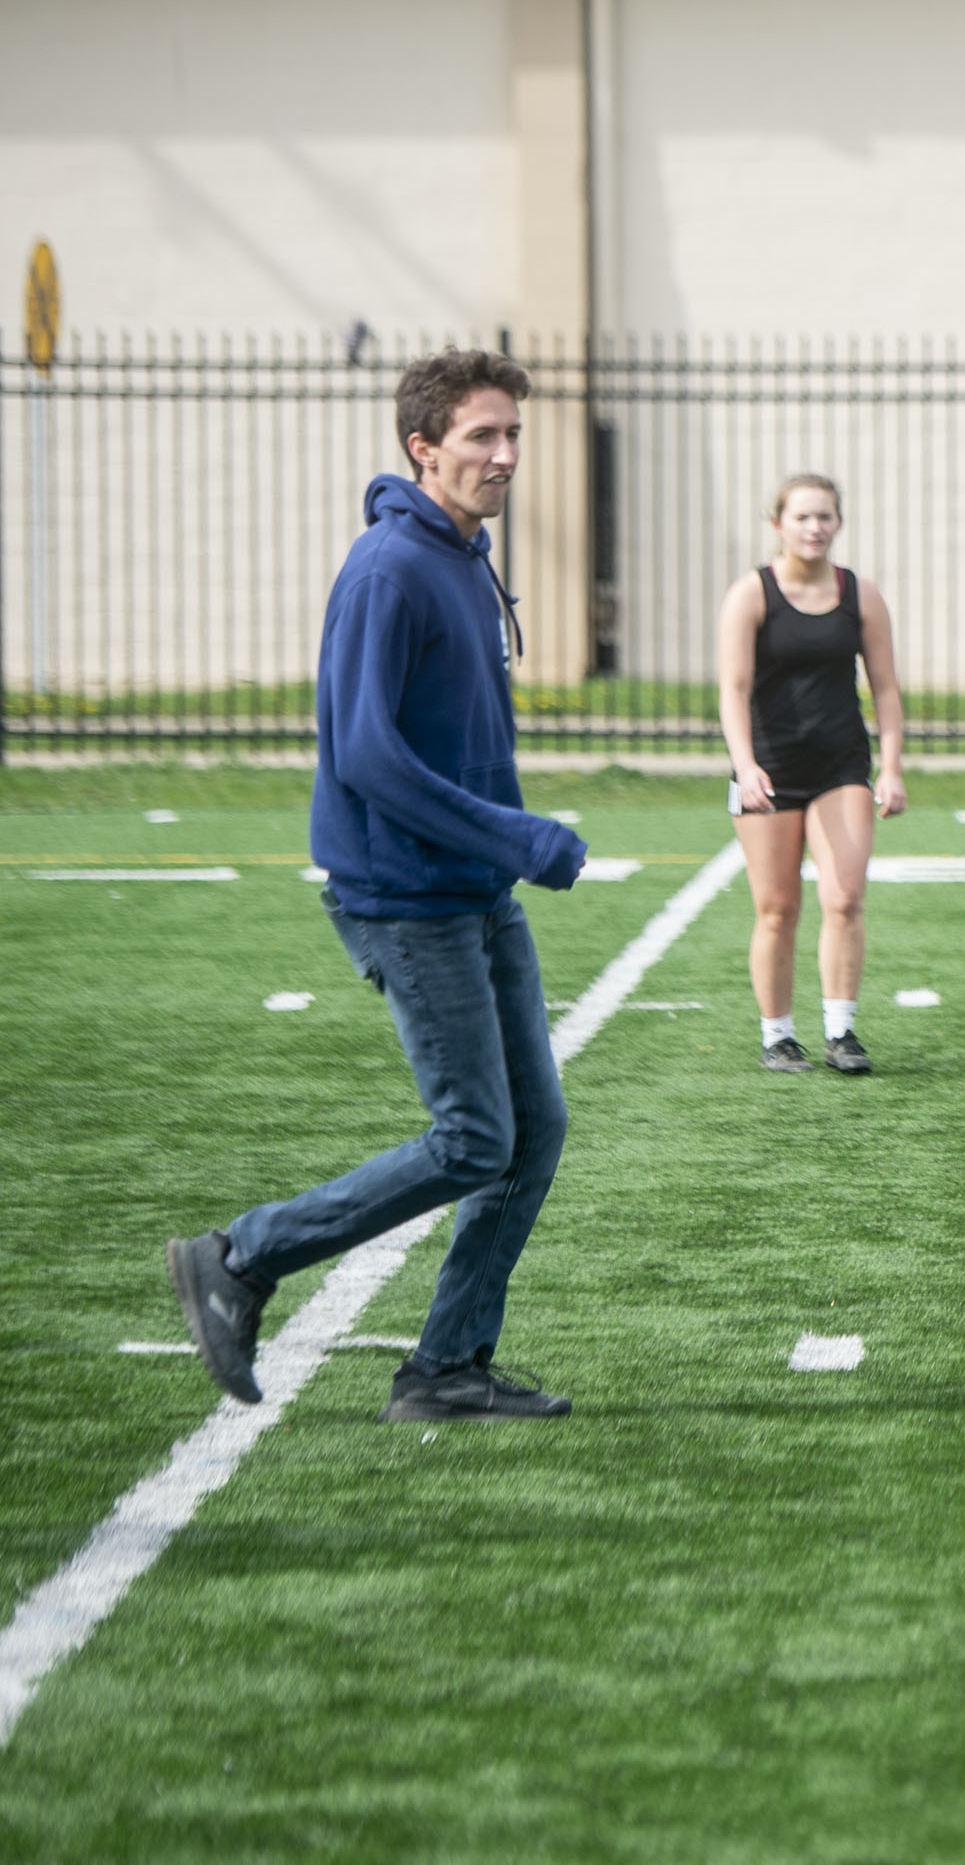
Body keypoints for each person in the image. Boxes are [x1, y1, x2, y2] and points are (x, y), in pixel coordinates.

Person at [165, 348, 589, 1425]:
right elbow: (366, 755)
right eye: (482, 437)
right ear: (423, 448)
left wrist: (502, 850)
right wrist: (521, 834)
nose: (504, 456)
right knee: (472, 1139)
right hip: (405, 898)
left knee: (531, 1132)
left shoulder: (462, 554)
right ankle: (241, 1255)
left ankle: (446, 1366)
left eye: (513, 436)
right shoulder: (388, 568)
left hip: (474, 891)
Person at [717, 473, 907, 1074]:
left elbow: (885, 688)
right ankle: (778, 1036)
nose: (814, 527)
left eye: (824, 516)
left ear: (838, 523)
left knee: (845, 897)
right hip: (769, 771)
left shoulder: (860, 595)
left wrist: (893, 767)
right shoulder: (750, 594)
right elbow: (734, 689)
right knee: (777, 908)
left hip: (840, 767)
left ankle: (841, 1032)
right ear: (778, 525)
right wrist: (745, 766)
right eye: (802, 517)